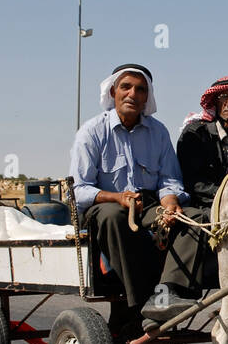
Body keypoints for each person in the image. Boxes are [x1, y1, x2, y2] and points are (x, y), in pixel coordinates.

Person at [69, 63, 196, 314]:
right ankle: (142, 302)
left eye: (140, 89)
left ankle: (171, 290)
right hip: (103, 206)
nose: (133, 94)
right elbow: (78, 190)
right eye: (126, 87)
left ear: (147, 97)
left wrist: (170, 202)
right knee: (114, 217)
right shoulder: (92, 131)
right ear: (113, 92)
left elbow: (169, 179)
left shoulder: (158, 132)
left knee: (194, 218)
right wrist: (116, 198)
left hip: (148, 203)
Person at [141, 76, 228, 322]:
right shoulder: (195, 132)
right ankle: (169, 292)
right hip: (205, 204)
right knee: (203, 220)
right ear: (214, 100)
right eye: (224, 98)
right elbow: (193, 182)